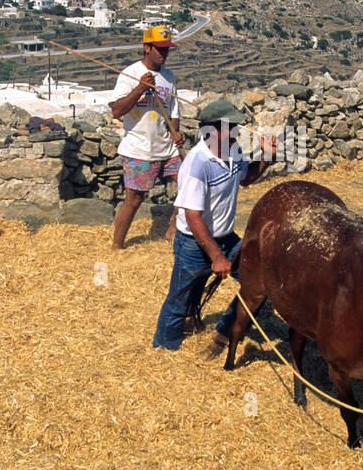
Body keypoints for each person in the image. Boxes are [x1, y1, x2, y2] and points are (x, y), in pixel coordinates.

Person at [152, 100, 278, 352]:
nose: (236, 131)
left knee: (262, 280)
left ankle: (225, 331)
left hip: (226, 237)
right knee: (178, 302)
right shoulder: (197, 163)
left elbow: (245, 179)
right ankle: (164, 349)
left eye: (235, 125)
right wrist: (217, 257)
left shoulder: (232, 149)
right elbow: (192, 217)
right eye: (229, 126)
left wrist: (266, 159)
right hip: (192, 243)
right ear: (210, 131)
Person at [110, 25, 183, 250]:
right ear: (146, 48)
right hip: (140, 148)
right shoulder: (130, 74)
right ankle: (117, 245)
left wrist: (176, 133)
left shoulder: (169, 77)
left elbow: (173, 111)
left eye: (167, 49)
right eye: (159, 49)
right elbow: (117, 110)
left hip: (168, 147)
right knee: (134, 199)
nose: (163, 54)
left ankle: (173, 229)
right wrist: (140, 88)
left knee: (189, 187)